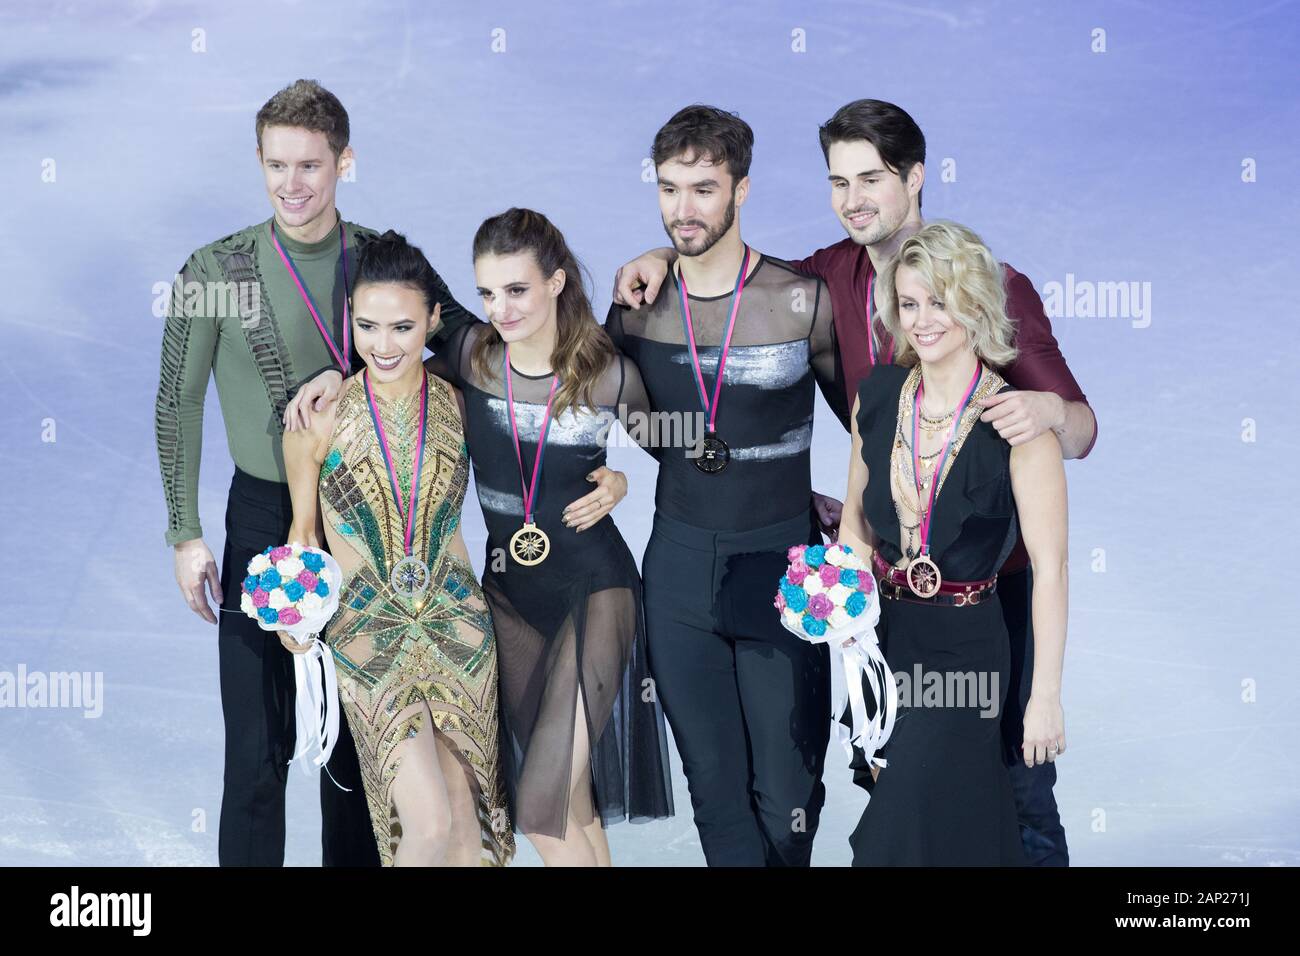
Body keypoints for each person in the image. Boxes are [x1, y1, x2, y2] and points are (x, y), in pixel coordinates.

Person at [612, 99, 1090, 865]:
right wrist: (666, 255)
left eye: (871, 178)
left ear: (916, 177)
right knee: (896, 788)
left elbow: (1083, 429)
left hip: (988, 588)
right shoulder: (826, 278)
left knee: (1014, 788)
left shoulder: (993, 287)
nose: (853, 199)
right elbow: (734, 278)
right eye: (839, 181)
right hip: (889, 598)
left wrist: (1045, 408)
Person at [155, 79, 478, 866]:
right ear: (259, 162)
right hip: (264, 520)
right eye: (276, 165)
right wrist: (184, 533)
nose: (292, 184)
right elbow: (176, 402)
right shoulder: (213, 269)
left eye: (310, 165)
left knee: (355, 755)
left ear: (345, 161)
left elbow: (467, 340)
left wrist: (355, 372)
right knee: (257, 751)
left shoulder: (381, 258)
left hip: (373, 522)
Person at [605, 105, 848, 867]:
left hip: (781, 566)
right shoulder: (637, 309)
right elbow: (598, 409)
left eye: (704, 189)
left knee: (788, 798)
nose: (684, 209)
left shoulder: (801, 301)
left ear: (742, 190)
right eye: (670, 189)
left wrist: (864, 521)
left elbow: (874, 426)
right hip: (677, 571)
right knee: (715, 791)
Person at [423, 207, 674, 866]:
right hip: (509, 595)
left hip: (596, 590)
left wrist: (619, 482)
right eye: (487, 292)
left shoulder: (606, 372)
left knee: (539, 806)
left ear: (557, 281)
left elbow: (682, 452)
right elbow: (393, 295)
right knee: (567, 804)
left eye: (517, 290)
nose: (500, 308)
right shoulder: (473, 356)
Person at [279, 231, 515, 866]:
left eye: (403, 327)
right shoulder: (317, 418)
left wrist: (615, 476)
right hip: (369, 635)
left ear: (435, 320)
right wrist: (293, 619)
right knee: (428, 825)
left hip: (461, 630)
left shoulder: (463, 410)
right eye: (368, 326)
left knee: (474, 834)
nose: (383, 346)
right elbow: (303, 535)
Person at [837, 220, 1067, 865]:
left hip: (968, 653)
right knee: (948, 834)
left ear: (975, 303)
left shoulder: (1019, 423)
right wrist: (846, 622)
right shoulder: (878, 399)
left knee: (891, 838)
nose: (922, 320)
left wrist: (1043, 697)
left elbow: (1050, 570)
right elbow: (856, 521)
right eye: (909, 304)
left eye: (939, 301)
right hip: (886, 648)